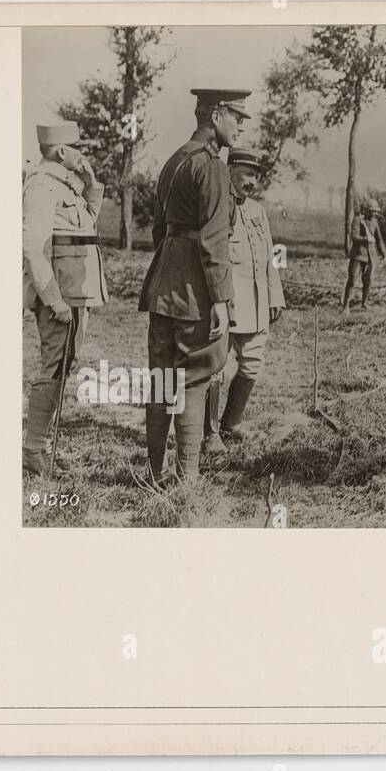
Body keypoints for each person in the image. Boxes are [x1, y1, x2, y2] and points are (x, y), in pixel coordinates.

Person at [138, 88, 250, 484]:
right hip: (195, 292)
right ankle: (188, 483)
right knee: (195, 377)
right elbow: (216, 239)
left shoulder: (174, 160)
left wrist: (173, 263)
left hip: (163, 284)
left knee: (162, 378)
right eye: (237, 116)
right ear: (216, 115)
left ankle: (152, 475)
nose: (241, 125)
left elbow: (158, 228)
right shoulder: (213, 167)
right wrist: (220, 299)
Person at [21, 121, 106, 476]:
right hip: (59, 297)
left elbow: (86, 227)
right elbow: (32, 246)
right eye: (77, 147)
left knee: (63, 365)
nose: (83, 152)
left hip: (75, 295)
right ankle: (34, 449)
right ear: (60, 151)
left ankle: (40, 446)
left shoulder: (65, 184)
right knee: (53, 368)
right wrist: (54, 300)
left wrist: (92, 186)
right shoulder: (42, 185)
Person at [203, 147, 285, 452]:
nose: (253, 182)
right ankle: (209, 435)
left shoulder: (257, 211)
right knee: (215, 368)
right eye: (248, 173)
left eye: (257, 176)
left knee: (252, 364)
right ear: (230, 169)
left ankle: (232, 423)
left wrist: (275, 295)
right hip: (224, 302)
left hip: (256, 302)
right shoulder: (215, 204)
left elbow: (268, 259)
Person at [343, 200, 386, 310]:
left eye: (376, 211)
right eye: (373, 211)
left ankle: (364, 303)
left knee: (368, 280)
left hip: (371, 257)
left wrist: (384, 253)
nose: (375, 214)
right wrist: (364, 239)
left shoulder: (375, 222)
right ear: (367, 211)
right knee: (352, 280)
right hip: (358, 255)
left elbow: (379, 239)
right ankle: (346, 306)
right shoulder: (358, 220)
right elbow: (353, 236)